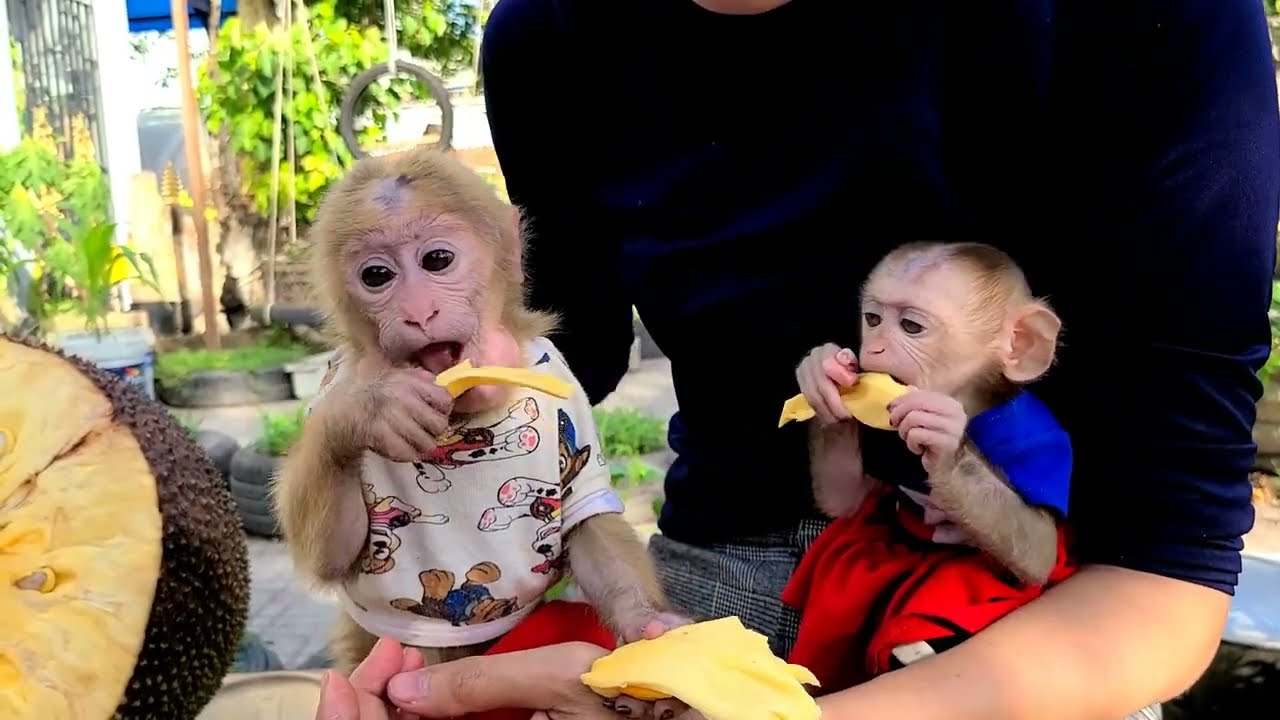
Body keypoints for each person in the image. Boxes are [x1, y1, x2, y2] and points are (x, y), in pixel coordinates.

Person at [360, 0, 1276, 718]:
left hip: (1029, 597)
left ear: (1025, 342)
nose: (878, 348)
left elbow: (1165, 564)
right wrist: (418, 414)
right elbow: (568, 358)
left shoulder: (1131, 19)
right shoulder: (551, 39)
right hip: (727, 553)